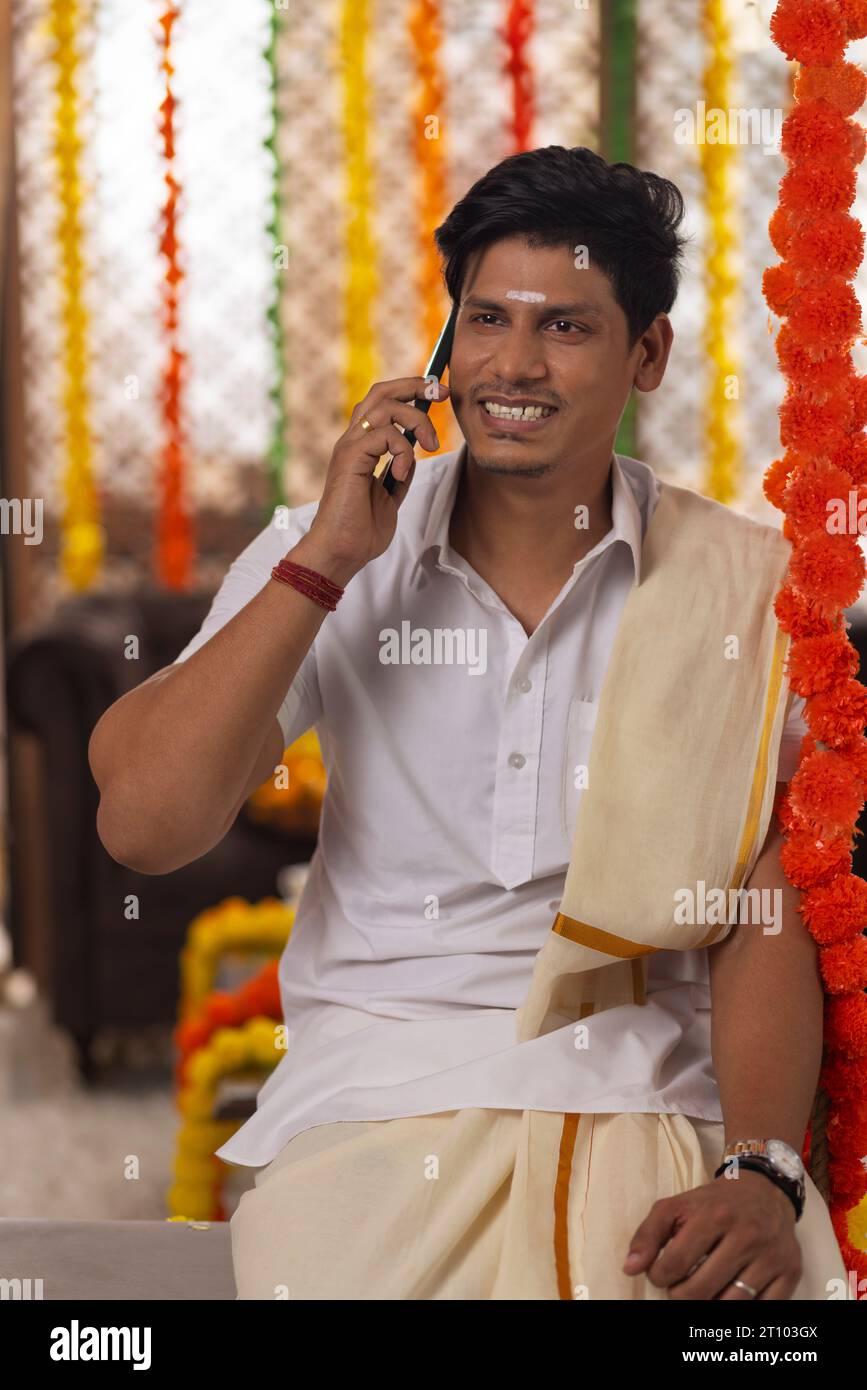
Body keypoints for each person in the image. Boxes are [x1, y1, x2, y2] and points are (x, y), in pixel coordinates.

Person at [90, 145, 848, 1300]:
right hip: (371, 1103)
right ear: (444, 347)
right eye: (486, 319)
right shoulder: (329, 545)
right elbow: (145, 822)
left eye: (567, 327)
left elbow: (762, 902)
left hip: (653, 1105)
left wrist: (760, 1166)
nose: (514, 365)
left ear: (648, 353)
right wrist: (327, 564)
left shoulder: (744, 590)